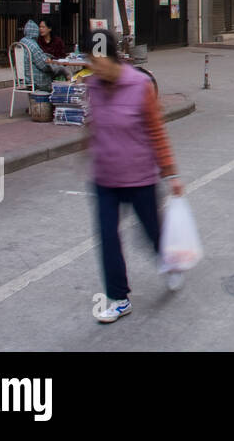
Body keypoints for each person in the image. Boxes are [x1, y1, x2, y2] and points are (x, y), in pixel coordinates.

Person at [86, 28, 185, 323]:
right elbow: (94, 125)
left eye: (99, 60)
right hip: (105, 178)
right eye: (91, 61)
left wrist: (170, 174)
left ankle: (169, 263)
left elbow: (157, 132)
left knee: (153, 233)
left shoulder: (140, 85)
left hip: (140, 178)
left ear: (114, 58)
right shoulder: (92, 85)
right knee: (107, 237)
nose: (95, 67)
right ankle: (118, 298)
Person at [18, 20, 62, 90]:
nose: (40, 29)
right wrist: (52, 67)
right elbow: (43, 65)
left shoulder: (21, 42)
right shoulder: (33, 45)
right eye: (40, 27)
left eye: (43, 27)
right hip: (34, 79)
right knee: (60, 74)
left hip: (21, 79)